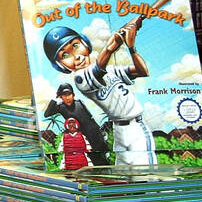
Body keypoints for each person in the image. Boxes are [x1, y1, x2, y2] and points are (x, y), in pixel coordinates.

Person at [43, 20, 154, 165]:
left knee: (145, 174)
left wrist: (131, 47)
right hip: (119, 129)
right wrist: (111, 45)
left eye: (75, 46)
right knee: (127, 175)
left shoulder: (111, 70)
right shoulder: (79, 79)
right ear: (60, 65)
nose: (76, 56)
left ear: (85, 43)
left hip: (136, 127)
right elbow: (99, 67)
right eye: (65, 55)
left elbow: (142, 71)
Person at [43, 83, 109, 165]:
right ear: (60, 97)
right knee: (93, 160)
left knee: (104, 159)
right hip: (83, 138)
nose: (67, 98)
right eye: (64, 95)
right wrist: (54, 98)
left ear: (73, 95)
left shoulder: (79, 103)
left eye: (69, 94)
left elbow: (90, 118)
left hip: (94, 134)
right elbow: (46, 114)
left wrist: (100, 133)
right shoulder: (61, 107)